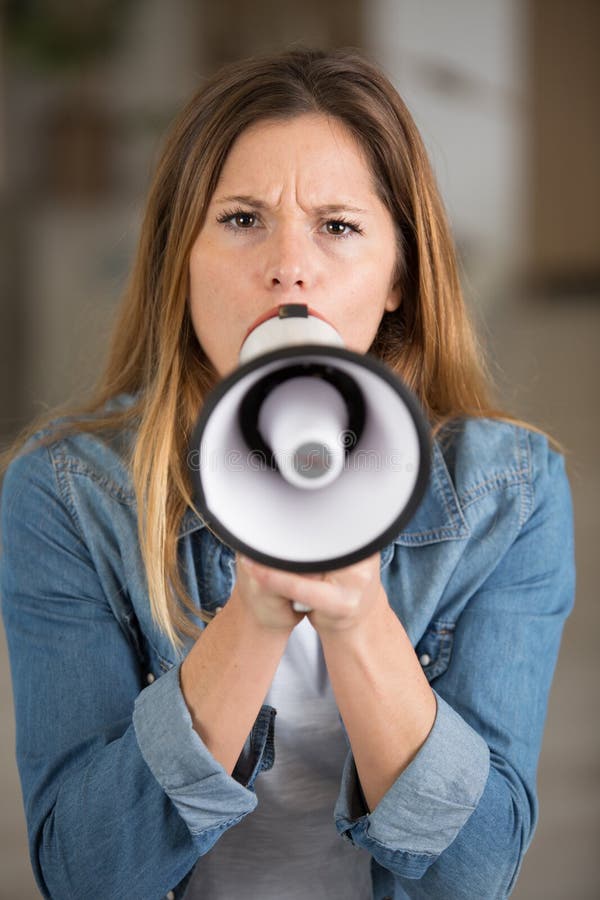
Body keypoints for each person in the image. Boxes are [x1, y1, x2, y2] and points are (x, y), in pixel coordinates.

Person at [0, 47, 574, 900]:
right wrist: (254, 617)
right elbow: (86, 875)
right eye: (241, 219)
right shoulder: (68, 494)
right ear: (178, 261)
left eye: (337, 226)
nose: (288, 267)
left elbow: (476, 875)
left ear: (398, 280)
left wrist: (357, 616)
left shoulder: (512, 491)